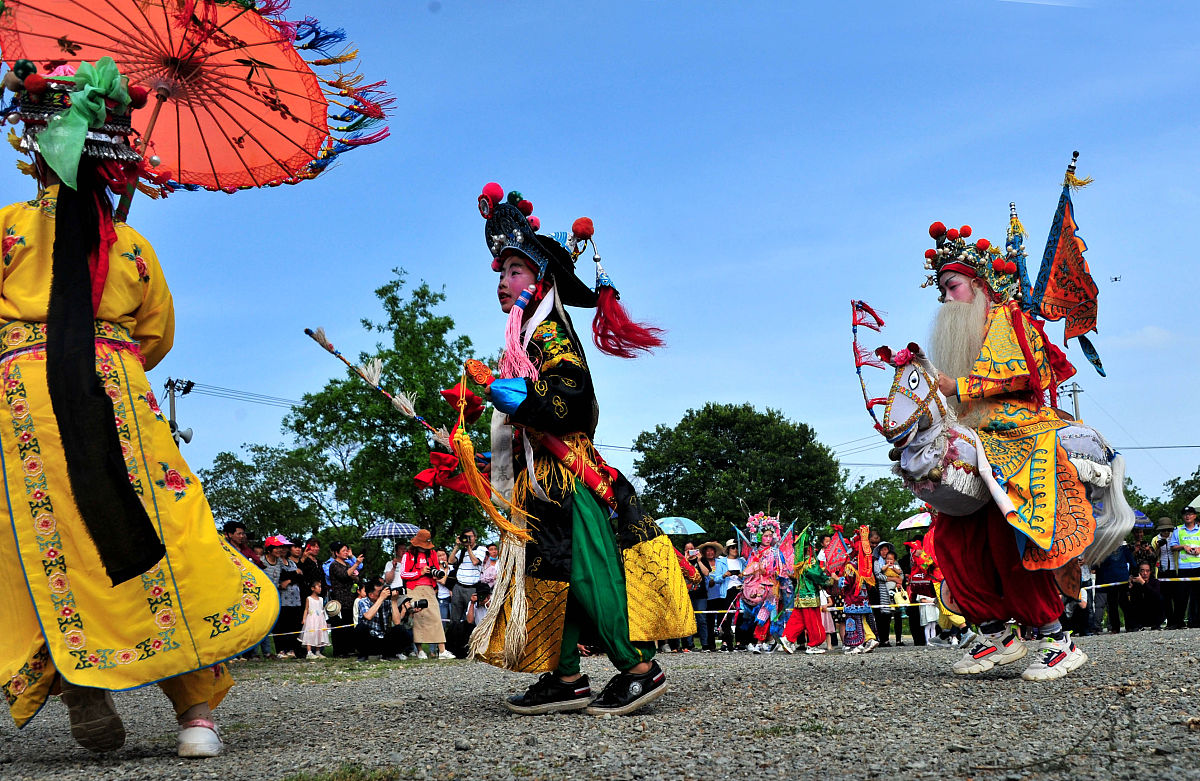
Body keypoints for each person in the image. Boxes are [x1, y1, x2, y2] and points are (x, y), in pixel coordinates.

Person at [0, 58, 277, 757]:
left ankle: (80, 686)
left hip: (21, 410)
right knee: (160, 538)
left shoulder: (6, 231)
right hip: (115, 400)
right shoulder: (133, 250)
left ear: (36, 148)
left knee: (43, 546)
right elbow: (155, 338)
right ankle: (196, 714)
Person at [465, 185, 691, 716]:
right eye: (500, 272)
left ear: (539, 280)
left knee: (586, 574)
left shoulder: (550, 336)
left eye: (514, 271)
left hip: (568, 477)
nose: (502, 281)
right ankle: (565, 675)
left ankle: (639, 668)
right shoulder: (525, 338)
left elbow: (571, 398)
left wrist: (513, 395)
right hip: (540, 477)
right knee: (551, 573)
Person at [924, 217, 1091, 681]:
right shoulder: (963, 338)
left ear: (977, 285)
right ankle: (997, 633)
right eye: (941, 291)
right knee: (949, 540)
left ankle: (1057, 638)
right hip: (972, 437)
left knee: (1006, 540)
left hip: (1018, 437)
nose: (945, 299)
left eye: (951, 287)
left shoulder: (1008, 319)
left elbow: (1024, 375)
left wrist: (956, 384)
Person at [399, 529, 453, 660]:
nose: (424, 548)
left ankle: (442, 650)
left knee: (435, 617)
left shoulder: (432, 553)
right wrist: (420, 572)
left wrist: (437, 573)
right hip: (414, 588)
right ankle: (420, 650)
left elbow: (436, 570)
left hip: (429, 587)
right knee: (418, 618)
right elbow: (403, 574)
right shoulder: (408, 555)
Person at [780, 529, 829, 654]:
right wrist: (829, 580)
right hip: (809, 595)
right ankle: (813, 644)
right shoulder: (810, 562)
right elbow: (817, 575)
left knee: (798, 619)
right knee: (813, 621)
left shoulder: (800, 562)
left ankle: (787, 638)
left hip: (800, 595)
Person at [355, 579, 409, 661]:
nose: (383, 593)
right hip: (370, 640)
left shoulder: (387, 601)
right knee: (360, 628)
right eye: (380, 591)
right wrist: (380, 599)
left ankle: (389, 654)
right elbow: (368, 616)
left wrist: (394, 601)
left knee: (400, 629)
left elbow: (397, 622)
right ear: (371, 595)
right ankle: (363, 655)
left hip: (384, 638)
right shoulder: (363, 602)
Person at [1168, 506, 1200, 629]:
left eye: (1190, 514)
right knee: (1181, 596)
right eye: (1185, 514)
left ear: (1194, 516)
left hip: (1198, 565)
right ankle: (1178, 622)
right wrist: (1183, 547)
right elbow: (1172, 547)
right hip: (1184, 566)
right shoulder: (1178, 530)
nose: (1187, 516)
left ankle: (1196, 622)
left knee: (1198, 596)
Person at [326, 542, 361, 657]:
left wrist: (355, 576)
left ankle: (350, 648)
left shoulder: (347, 564)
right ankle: (339, 651)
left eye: (347, 550)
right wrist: (356, 563)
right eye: (344, 551)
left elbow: (354, 575)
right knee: (340, 626)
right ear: (336, 553)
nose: (346, 552)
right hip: (340, 600)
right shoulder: (334, 565)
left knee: (349, 624)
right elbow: (344, 575)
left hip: (350, 598)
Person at [1094, 541, 1135, 633]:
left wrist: (1132, 575)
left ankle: (1130, 626)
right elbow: (1099, 566)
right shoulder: (1104, 551)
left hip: (1123, 580)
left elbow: (1133, 563)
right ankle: (1115, 627)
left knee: (1124, 603)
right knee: (1112, 604)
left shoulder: (1124, 549)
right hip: (1110, 581)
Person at [448, 528, 487, 622]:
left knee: (471, 619)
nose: (468, 539)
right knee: (455, 618)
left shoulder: (481, 549)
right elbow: (450, 561)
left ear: (475, 537)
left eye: (470, 537)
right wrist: (457, 546)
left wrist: (469, 547)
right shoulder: (461, 552)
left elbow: (475, 562)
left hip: (472, 588)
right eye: (466, 537)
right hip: (458, 587)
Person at [1153, 517, 1179, 626]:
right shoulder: (1155, 539)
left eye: (1168, 529)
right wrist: (1159, 546)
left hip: (1175, 569)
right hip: (1162, 570)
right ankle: (1170, 621)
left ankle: (1178, 620)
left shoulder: (1175, 537)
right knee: (1166, 598)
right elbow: (1154, 556)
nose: (1166, 532)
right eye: (1164, 530)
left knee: (1177, 597)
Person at [698, 541, 723, 651]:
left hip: (721, 593)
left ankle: (725, 643)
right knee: (709, 621)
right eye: (707, 551)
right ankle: (711, 644)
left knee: (723, 619)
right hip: (709, 594)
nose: (710, 552)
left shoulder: (721, 562)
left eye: (711, 550)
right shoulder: (702, 563)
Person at [1127, 562, 1164, 631]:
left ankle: (1156, 625)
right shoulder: (1135, 583)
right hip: (1140, 615)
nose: (1145, 573)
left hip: (1153, 614)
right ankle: (1135, 625)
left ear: (1150, 572)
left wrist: (1143, 583)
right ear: (1139, 572)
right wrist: (1129, 587)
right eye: (1142, 570)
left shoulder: (1155, 582)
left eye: (1147, 571)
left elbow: (1156, 595)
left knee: (1160, 598)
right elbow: (1131, 600)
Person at [300, 580, 331, 660]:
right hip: (311, 619)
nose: (320, 588)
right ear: (313, 588)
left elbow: (322, 610)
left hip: (320, 619)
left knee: (319, 633)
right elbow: (306, 609)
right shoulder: (309, 599)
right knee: (310, 634)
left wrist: (325, 620)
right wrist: (304, 619)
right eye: (319, 586)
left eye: (321, 586)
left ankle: (318, 651)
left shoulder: (321, 599)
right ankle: (309, 652)